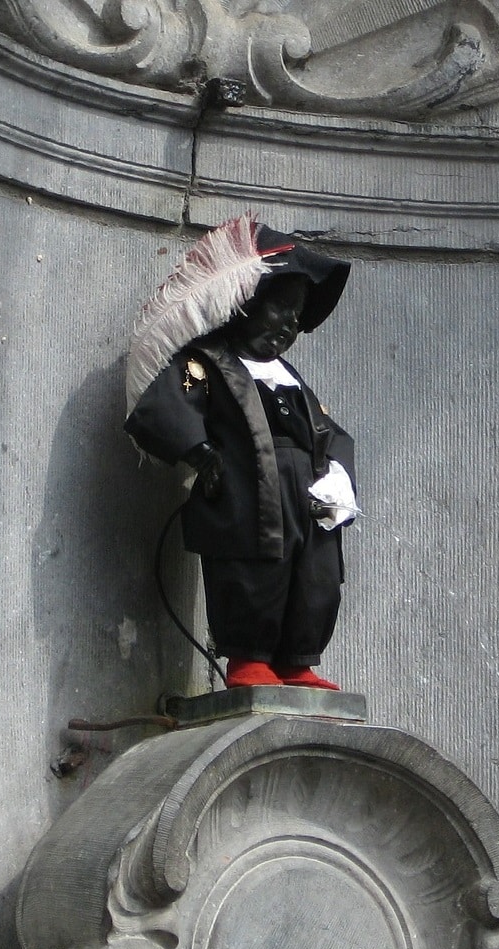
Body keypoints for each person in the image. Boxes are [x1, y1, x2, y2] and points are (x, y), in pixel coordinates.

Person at [123, 223, 357, 690]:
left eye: (297, 315)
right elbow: (165, 405)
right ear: (246, 302)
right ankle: (249, 656)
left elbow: (331, 434)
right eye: (280, 307)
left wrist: (337, 474)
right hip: (246, 493)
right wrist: (198, 449)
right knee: (252, 570)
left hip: (307, 501)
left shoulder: (291, 380)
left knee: (314, 576)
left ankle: (298, 658)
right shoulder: (206, 363)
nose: (289, 323)